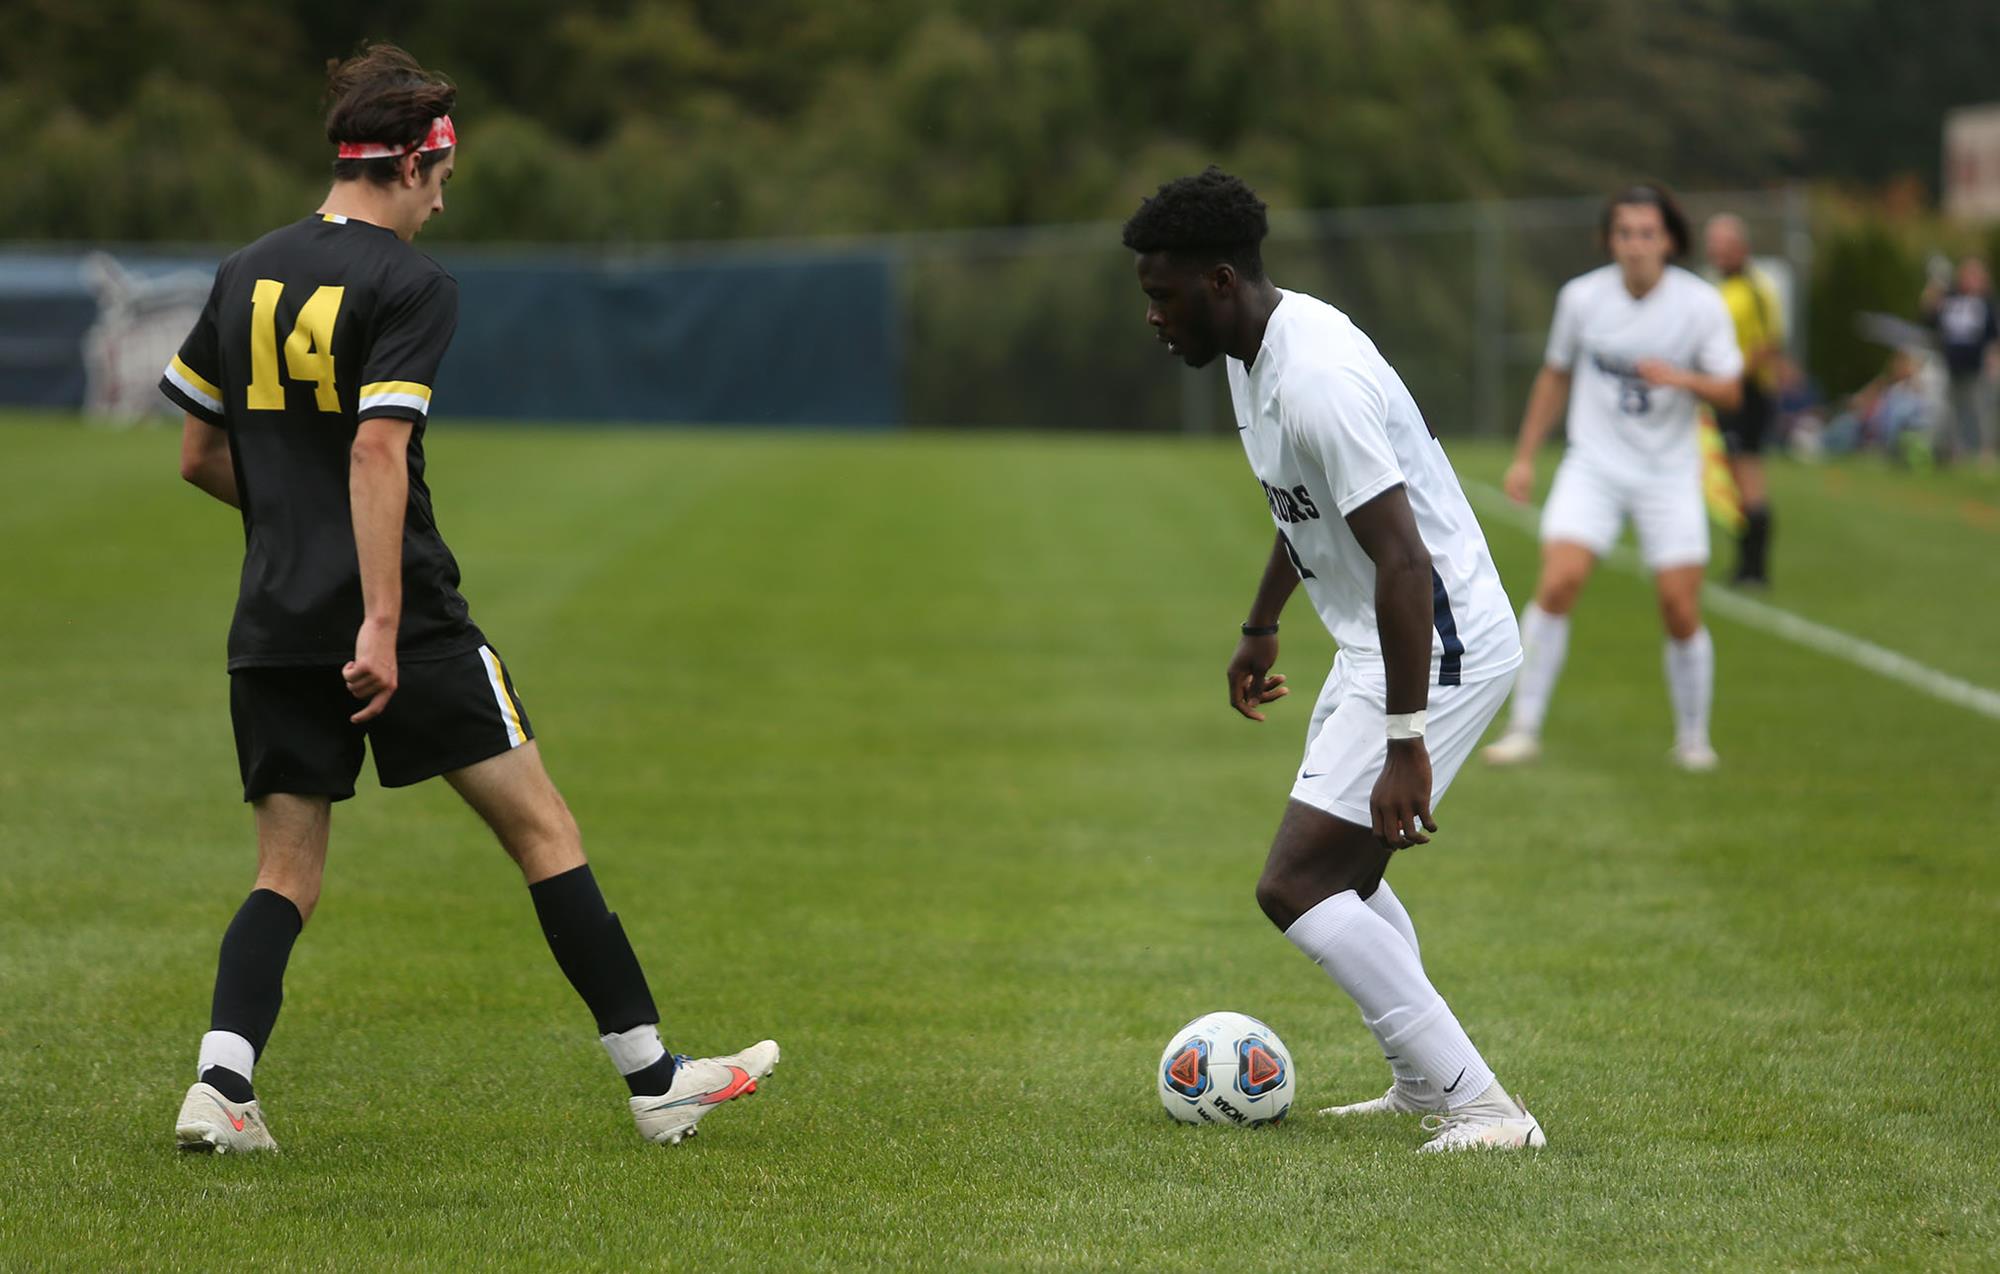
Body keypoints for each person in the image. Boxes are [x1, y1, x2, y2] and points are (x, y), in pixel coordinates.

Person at [159, 44, 776, 1154]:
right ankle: (655, 1078)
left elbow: (202, 453)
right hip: (405, 624)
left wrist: (295, 531)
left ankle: (221, 1082)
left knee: (284, 873)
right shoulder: (411, 284)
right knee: (544, 830)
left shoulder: (244, 267)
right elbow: (376, 454)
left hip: (271, 621)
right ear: (402, 162)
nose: (446, 192)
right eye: (440, 170)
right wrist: (384, 624)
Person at [1123, 168, 1542, 1152]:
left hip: (1436, 640)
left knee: (1295, 884)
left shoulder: (1315, 378)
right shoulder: (1247, 347)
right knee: (1336, 876)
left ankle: (1482, 1104)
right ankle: (1420, 1083)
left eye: (1161, 295)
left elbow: (1400, 560)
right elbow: (1301, 503)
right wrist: (1261, 620)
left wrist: (1404, 743)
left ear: (1219, 281)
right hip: (1383, 638)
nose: (1152, 316)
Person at [1485, 184, 1744, 773]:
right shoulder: (1581, 298)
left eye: (1647, 234)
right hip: (1594, 466)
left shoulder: (1700, 305)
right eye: (1624, 233)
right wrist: (1525, 457)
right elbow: (1554, 377)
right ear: (1609, 239)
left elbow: (1730, 389)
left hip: (1669, 472)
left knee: (1679, 606)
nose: (1635, 245)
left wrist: (1681, 379)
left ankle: (1693, 739)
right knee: (1557, 585)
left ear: (1670, 240)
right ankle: (1523, 727)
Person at [1704, 214, 1786, 586]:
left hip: (1747, 394)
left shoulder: (1756, 289)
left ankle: (1756, 569)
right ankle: (1744, 564)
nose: (1718, 253)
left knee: (1748, 475)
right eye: (1714, 246)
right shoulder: (1723, 287)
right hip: (1726, 392)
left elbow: (1765, 346)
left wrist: (1729, 382)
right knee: (1734, 478)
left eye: (1725, 246)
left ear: (1742, 248)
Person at [1922, 256, 1999, 466]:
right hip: (1951, 363)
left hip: (1976, 365)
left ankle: (1987, 450)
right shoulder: (1950, 298)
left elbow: (1992, 335)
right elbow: (1930, 320)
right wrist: (1931, 296)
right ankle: (1956, 451)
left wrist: (1993, 359)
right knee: (1952, 409)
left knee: (1980, 409)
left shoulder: (1986, 303)